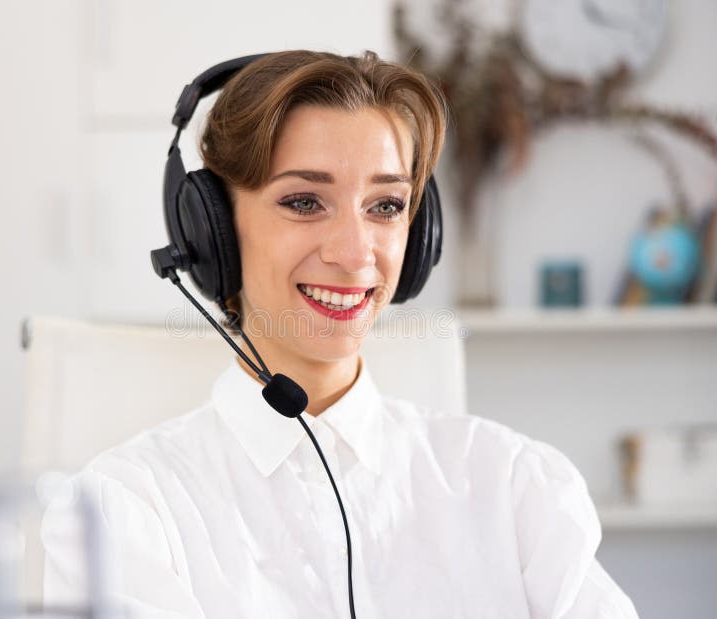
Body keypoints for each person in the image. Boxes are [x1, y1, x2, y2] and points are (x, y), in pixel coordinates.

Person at [41, 50, 638, 618]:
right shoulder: (127, 510)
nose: (356, 256)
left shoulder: (514, 487)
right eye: (304, 201)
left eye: (385, 207)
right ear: (211, 232)